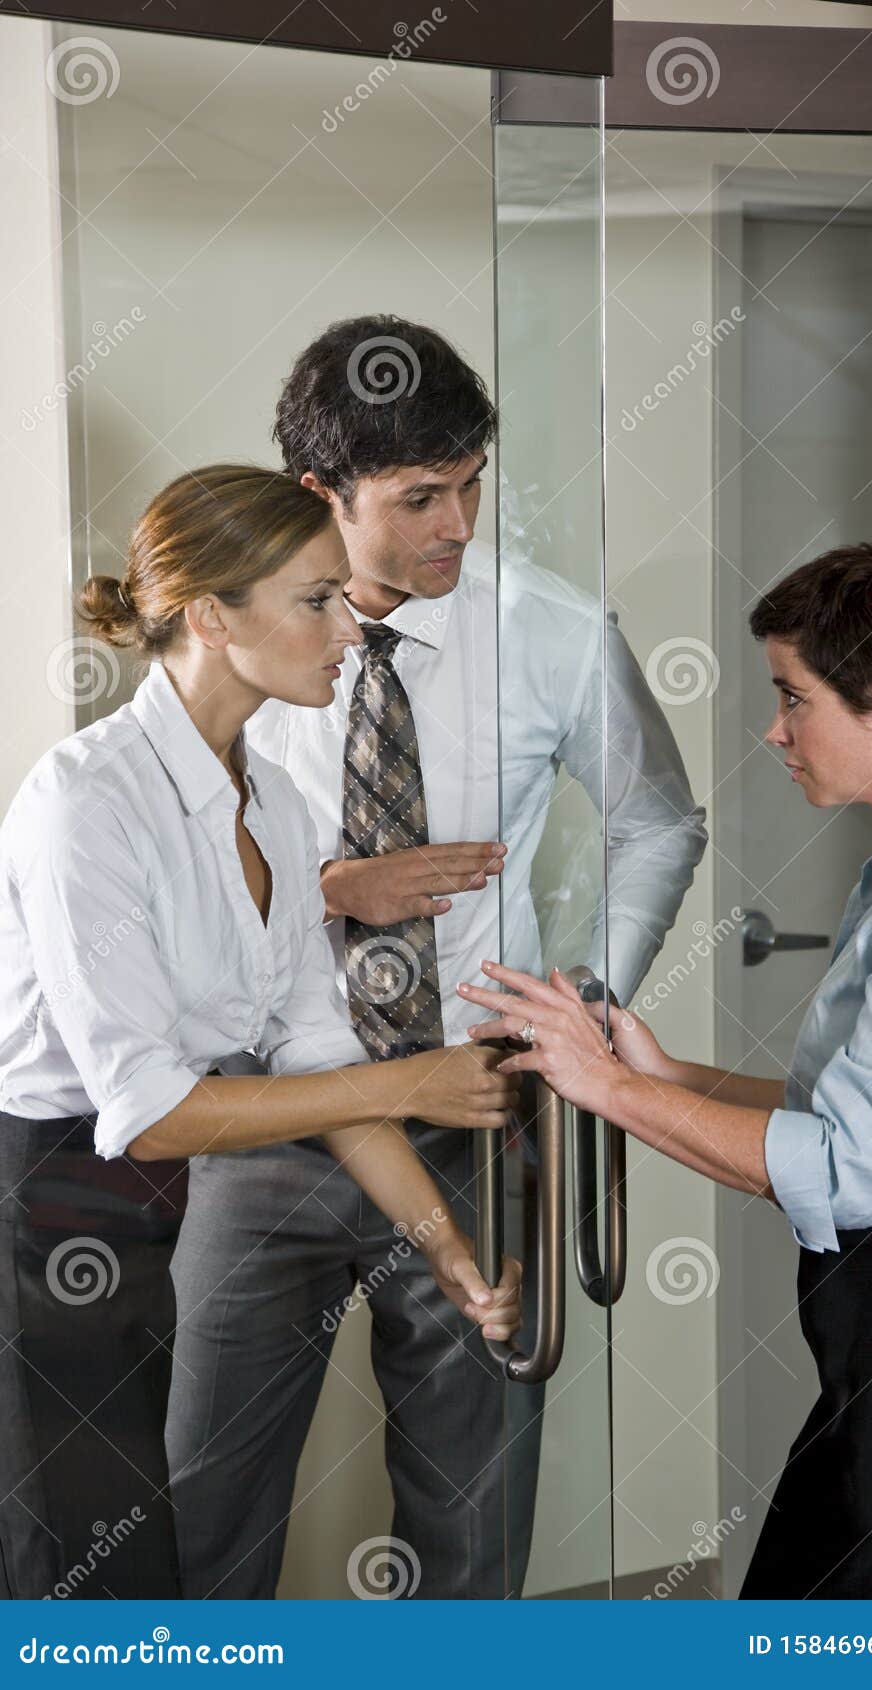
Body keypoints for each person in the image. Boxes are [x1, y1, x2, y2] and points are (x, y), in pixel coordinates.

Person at [166, 315, 709, 1599]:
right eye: (419, 498)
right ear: (320, 495)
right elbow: (164, 864)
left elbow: (656, 821)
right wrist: (332, 889)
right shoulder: (229, 637)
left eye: (471, 484)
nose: (458, 524)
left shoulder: (553, 632)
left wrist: (592, 992)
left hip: (472, 1114)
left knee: (471, 1525)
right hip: (266, 1120)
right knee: (201, 1512)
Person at [459, 537, 872, 1599]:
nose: (772, 730)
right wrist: (663, 1073)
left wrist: (608, 1090)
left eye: (793, 700)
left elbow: (846, 1171)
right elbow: (854, 1118)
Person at [0, 464, 520, 1600]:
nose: (349, 627)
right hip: (37, 1220)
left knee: (134, 1574)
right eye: (316, 601)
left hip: (142, 1227)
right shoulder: (84, 801)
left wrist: (442, 1243)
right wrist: (412, 1084)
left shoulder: (275, 809)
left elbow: (313, 1047)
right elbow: (150, 1111)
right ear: (210, 616)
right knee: (81, 1579)